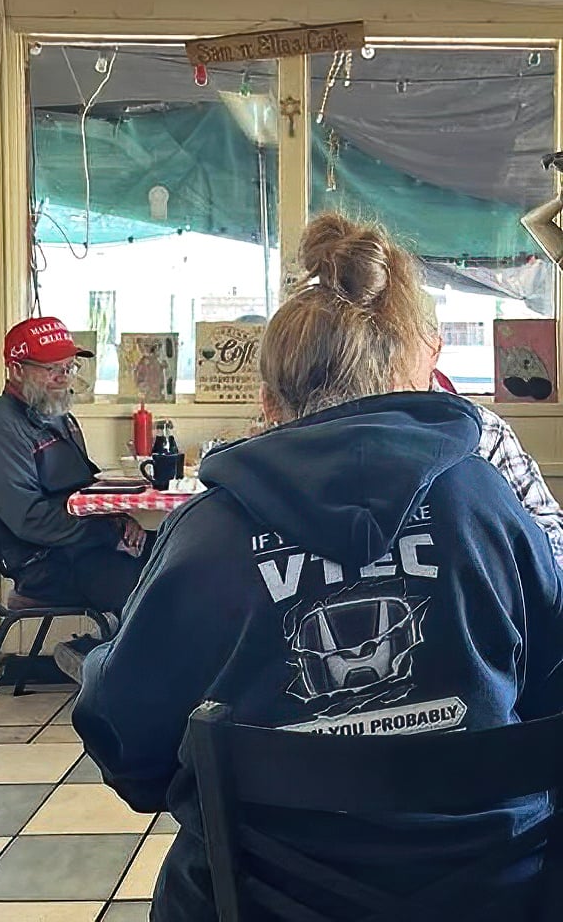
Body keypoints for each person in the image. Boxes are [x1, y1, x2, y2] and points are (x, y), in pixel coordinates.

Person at [73, 214, 563, 922]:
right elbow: (549, 695)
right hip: (490, 895)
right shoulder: (484, 506)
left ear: (267, 403)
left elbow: (132, 757)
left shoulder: (204, 535)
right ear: (411, 376)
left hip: (267, 905)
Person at [0, 316, 154, 618]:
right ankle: (104, 661)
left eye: (69, 367)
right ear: (16, 370)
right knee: (160, 588)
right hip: (45, 566)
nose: (64, 377)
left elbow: (87, 488)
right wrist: (110, 534)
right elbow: (32, 520)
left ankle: (101, 654)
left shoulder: (57, 416)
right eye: (52, 369)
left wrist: (120, 519)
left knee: (179, 551)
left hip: (85, 548)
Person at [421, 293, 563, 566]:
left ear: (433, 349)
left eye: (392, 342)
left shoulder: (486, 432)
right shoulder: (322, 428)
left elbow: (554, 541)